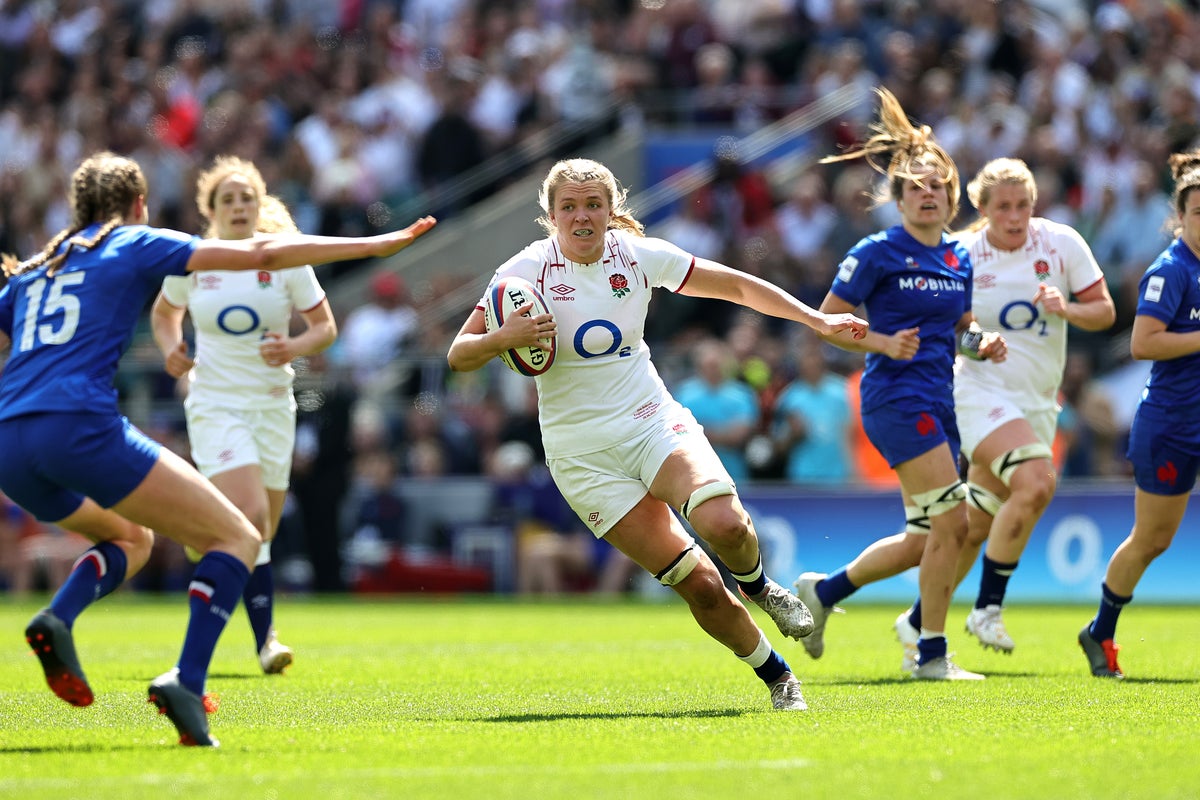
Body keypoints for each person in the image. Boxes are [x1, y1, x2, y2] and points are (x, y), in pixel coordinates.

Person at [0, 151, 435, 746]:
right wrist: (371, 246)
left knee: (131, 538)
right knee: (238, 536)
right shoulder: (133, 241)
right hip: (77, 425)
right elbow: (261, 252)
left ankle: (58, 617)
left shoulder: (36, 269)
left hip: (9, 440)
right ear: (138, 206)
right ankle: (187, 678)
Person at [447, 157, 868, 711]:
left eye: (593, 204)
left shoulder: (638, 256)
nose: (581, 217)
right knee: (698, 585)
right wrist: (507, 335)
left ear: (611, 210)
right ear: (550, 217)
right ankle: (778, 677)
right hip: (581, 455)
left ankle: (762, 585)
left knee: (724, 522)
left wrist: (815, 320)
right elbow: (459, 355)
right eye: (568, 207)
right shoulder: (522, 274)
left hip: (649, 419)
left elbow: (736, 288)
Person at [790, 87, 1007, 680]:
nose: (928, 194)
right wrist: (883, 342)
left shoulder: (959, 259)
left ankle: (824, 591)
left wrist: (980, 342)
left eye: (937, 185)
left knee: (921, 539)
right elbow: (826, 321)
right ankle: (931, 654)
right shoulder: (877, 252)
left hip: (939, 401)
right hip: (894, 398)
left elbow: (960, 329)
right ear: (899, 197)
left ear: (953, 195)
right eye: (916, 186)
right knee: (955, 522)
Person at [890, 158, 1115, 669]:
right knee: (1036, 483)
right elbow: (950, 330)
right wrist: (979, 343)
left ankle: (918, 617)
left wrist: (1068, 309)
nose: (1015, 217)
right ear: (982, 208)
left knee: (970, 526)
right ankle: (988, 607)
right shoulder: (964, 254)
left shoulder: (1062, 243)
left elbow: (1104, 311)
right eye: (1004, 207)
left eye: (1024, 205)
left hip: (1038, 399)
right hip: (978, 390)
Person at [149, 155, 339, 676]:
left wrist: (294, 346)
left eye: (246, 197)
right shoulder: (195, 260)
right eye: (228, 199)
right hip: (214, 404)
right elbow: (164, 314)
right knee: (252, 518)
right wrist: (172, 350)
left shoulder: (284, 261)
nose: (238, 206)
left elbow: (325, 328)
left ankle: (207, 540)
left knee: (263, 530)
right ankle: (266, 641)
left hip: (273, 406)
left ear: (260, 205)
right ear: (210, 210)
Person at [1078, 148, 1200, 679]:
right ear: (1180, 218)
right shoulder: (1171, 271)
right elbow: (1144, 342)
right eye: (1199, 213)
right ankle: (1100, 630)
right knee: (1152, 540)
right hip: (1172, 425)